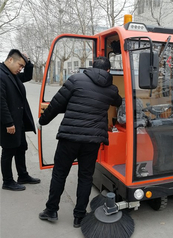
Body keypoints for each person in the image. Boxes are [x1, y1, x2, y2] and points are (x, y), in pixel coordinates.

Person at [38, 56, 122, 228]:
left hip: (69, 137)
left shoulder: (75, 79)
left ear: (91, 67)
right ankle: (79, 217)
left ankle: (51, 210)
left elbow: (55, 104)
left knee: (60, 173)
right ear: (108, 71)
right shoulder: (111, 88)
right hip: (92, 141)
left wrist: (42, 121)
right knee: (85, 177)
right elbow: (119, 101)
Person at [0, 49, 41, 191]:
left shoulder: (12, 74)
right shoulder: (1, 74)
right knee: (8, 151)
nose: (21, 69)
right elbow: (1, 102)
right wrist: (8, 123)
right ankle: (8, 181)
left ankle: (23, 175)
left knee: (21, 148)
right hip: (9, 122)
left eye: (22, 66)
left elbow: (28, 76)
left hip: (18, 120)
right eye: (20, 65)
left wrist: (28, 62)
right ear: (10, 60)